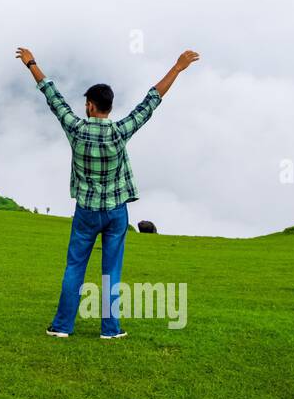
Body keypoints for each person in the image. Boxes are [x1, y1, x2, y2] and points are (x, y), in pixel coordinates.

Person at [17, 46, 200, 340]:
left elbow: (53, 97)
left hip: (86, 212)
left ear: (90, 105)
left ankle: (63, 326)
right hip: (116, 212)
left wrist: (31, 63)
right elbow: (151, 101)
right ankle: (110, 329)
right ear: (109, 107)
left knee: (75, 267)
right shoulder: (120, 131)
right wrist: (177, 68)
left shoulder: (76, 128)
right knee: (111, 272)